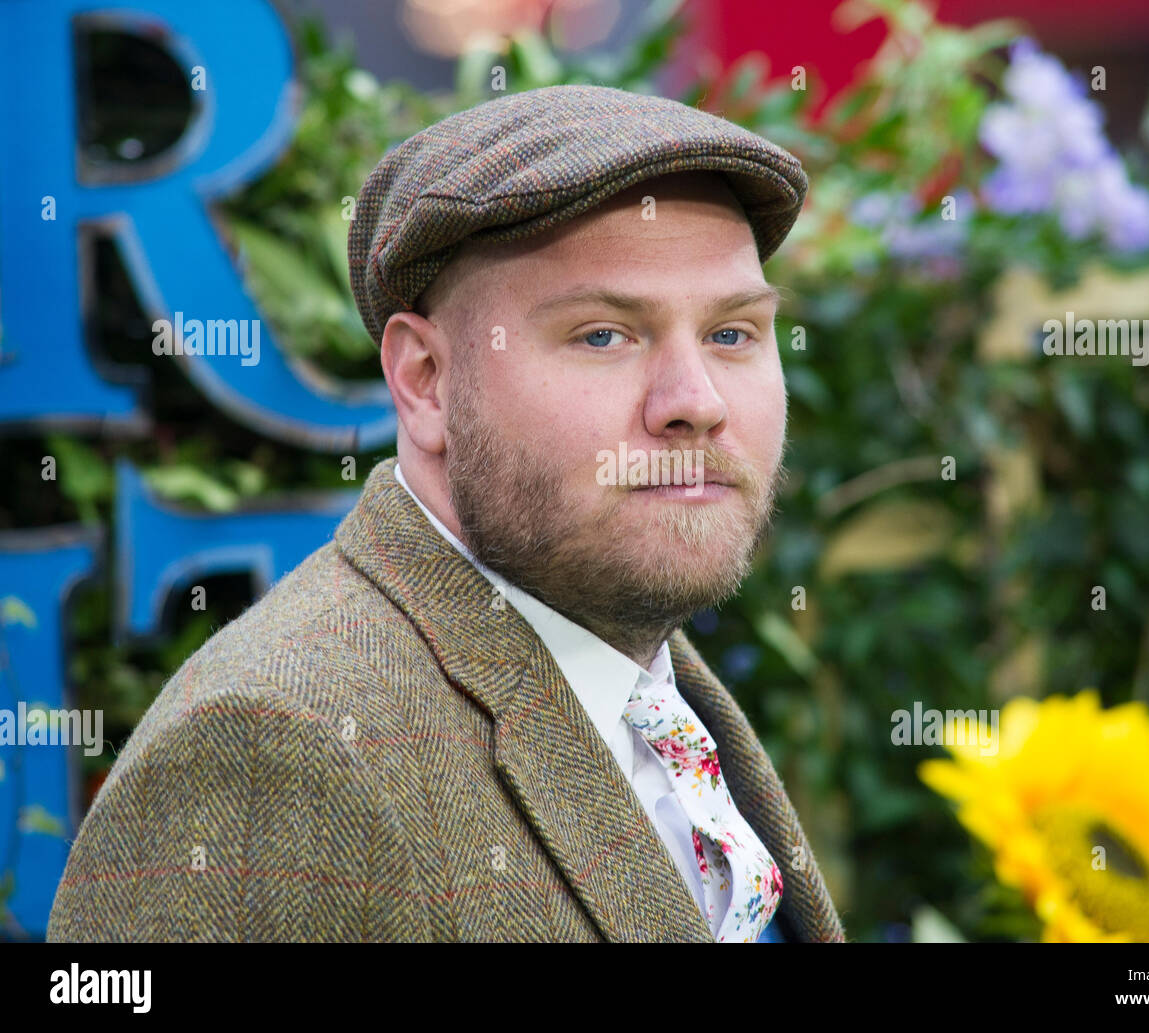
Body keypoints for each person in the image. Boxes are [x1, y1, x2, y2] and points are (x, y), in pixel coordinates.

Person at [46, 83, 845, 943]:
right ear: (424, 381)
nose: (697, 403)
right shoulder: (271, 751)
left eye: (733, 334)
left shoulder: (649, 679)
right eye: (604, 334)